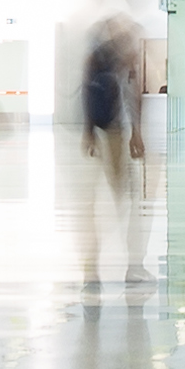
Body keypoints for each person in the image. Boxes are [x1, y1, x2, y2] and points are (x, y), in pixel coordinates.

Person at [77, 18, 138, 251]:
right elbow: (132, 99)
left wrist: (88, 131)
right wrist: (137, 132)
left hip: (108, 125)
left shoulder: (96, 60)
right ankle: (118, 215)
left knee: (112, 175)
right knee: (117, 177)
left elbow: (87, 93)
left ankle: (113, 215)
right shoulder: (118, 63)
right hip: (114, 125)